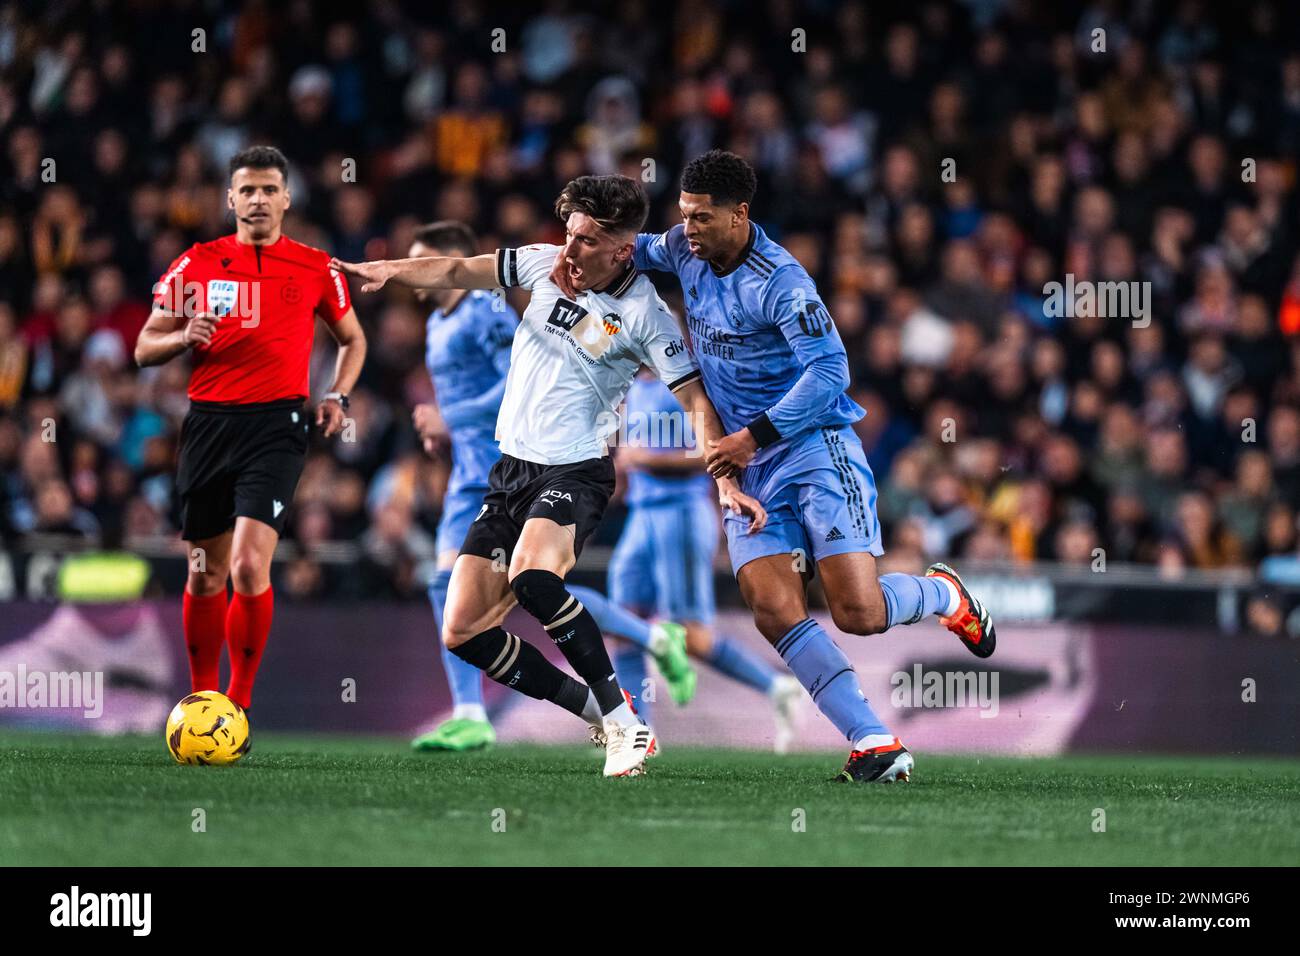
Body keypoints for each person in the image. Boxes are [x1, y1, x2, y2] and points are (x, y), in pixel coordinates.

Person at [554, 150, 996, 783]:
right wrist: (574, 259)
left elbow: (832, 372)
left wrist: (752, 436)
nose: (689, 230)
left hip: (813, 449)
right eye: (684, 216)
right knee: (771, 605)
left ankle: (942, 592)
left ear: (741, 214)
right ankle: (873, 739)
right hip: (749, 465)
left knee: (858, 613)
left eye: (702, 218)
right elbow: (625, 247)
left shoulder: (782, 282)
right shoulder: (685, 248)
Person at [333, 175, 765, 777]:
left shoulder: (645, 313)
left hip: (577, 470)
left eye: (586, 240)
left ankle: (622, 724)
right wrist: (388, 273)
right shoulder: (540, 264)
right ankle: (602, 713)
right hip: (510, 470)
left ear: (622, 249)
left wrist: (722, 475)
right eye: (568, 234)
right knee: (464, 632)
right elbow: (461, 270)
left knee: (535, 578)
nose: (569, 249)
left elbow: (694, 399)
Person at [404, 220, 697, 753]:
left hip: (537, 462)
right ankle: (609, 691)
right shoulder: (436, 324)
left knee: (530, 580)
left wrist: (450, 416)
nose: (419, 276)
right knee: (463, 603)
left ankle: (480, 710)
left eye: (423, 262)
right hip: (483, 473)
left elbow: (530, 376)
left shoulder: (487, 311)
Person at [135, 145, 367, 710]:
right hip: (210, 425)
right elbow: (145, 347)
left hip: (278, 426)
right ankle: (200, 698)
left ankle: (235, 706)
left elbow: (353, 340)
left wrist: (336, 394)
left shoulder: (316, 266)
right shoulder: (197, 263)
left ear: (287, 198)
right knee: (206, 572)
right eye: (247, 190)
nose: (258, 199)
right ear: (230, 198)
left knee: (247, 564)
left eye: (269, 189)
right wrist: (183, 336)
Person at [608, 370, 804, 751]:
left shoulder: (686, 386)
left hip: (681, 511)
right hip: (641, 513)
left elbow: (711, 454)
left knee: (691, 637)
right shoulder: (635, 384)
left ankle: (776, 686)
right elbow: (631, 452)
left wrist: (646, 459)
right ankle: (638, 731)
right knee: (621, 625)